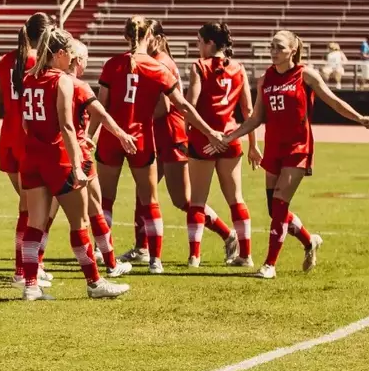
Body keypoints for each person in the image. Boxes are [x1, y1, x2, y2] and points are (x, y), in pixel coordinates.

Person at [213, 30, 369, 279]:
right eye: (271, 47)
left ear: (292, 51)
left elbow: (333, 101)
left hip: (298, 148)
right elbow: (256, 118)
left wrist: (359, 118)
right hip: (274, 148)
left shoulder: (305, 74)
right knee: (273, 209)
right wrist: (230, 136)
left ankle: (269, 265)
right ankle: (310, 242)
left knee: (279, 203)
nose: (273, 51)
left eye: (279, 47)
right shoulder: (265, 78)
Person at [95, 16, 224, 275]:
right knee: (150, 199)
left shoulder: (112, 65)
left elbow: (101, 107)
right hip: (142, 137)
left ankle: (105, 255)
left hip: (112, 137)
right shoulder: (156, 68)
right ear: (149, 37)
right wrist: (209, 131)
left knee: (105, 200)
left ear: (125, 37)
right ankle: (155, 260)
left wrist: (88, 137)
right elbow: (183, 105)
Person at [17, 28, 135, 301]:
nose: (71, 60)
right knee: (79, 223)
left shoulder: (29, 78)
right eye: (69, 53)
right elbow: (67, 126)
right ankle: (95, 282)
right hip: (58, 158)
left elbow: (25, 123)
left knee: (35, 223)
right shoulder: (63, 81)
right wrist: (77, 165)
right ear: (58, 54)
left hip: (31, 157)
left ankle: (31, 285)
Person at [132, 22, 238, 271]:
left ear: (156, 39)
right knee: (143, 191)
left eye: (142, 37)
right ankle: (141, 248)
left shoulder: (161, 62)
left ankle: (228, 234)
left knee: (183, 199)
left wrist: (135, 114)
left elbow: (165, 107)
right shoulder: (153, 60)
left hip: (171, 135)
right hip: (157, 134)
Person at [0, 13, 67, 287]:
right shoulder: (40, 61)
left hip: (8, 137)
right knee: (34, 208)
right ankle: (24, 269)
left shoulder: (6, 60)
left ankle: (33, 265)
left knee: (30, 206)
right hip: (31, 138)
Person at [186, 22, 257, 269]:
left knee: (197, 199)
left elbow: (190, 105)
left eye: (199, 42)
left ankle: (195, 256)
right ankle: (246, 255)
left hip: (203, 140)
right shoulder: (239, 68)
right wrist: (253, 144)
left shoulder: (199, 67)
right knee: (236, 199)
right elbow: (248, 110)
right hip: (231, 138)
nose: (197, 47)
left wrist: (200, 131)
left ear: (210, 43)